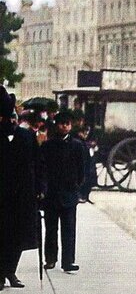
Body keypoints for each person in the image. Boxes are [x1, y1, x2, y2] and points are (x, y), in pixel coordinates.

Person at [0, 87, 42, 289]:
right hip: (2, 195)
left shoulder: (25, 137)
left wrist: (40, 188)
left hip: (22, 195)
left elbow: (38, 164)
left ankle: (10, 271)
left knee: (17, 235)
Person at [40, 111, 90, 273]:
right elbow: (42, 169)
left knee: (69, 229)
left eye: (67, 124)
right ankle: (50, 258)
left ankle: (68, 261)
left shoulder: (77, 145)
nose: (65, 126)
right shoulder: (48, 145)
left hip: (69, 193)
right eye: (62, 123)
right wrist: (44, 188)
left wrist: (77, 186)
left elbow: (82, 169)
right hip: (52, 194)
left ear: (71, 125)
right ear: (57, 125)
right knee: (51, 228)